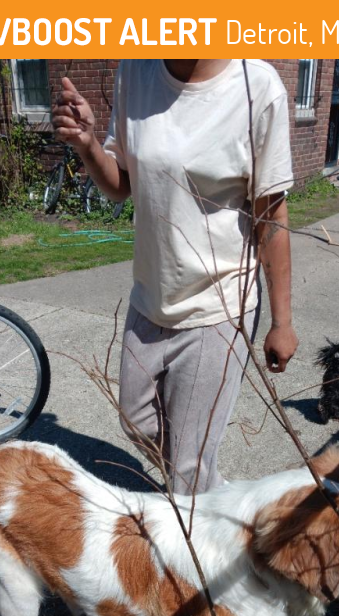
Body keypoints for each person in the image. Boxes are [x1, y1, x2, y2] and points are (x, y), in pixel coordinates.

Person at [53, 59, 297, 494]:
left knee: (186, 466)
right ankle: (207, 490)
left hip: (218, 303)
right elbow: (121, 183)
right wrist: (88, 143)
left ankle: (194, 543)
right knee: (135, 418)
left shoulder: (256, 87)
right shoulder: (136, 72)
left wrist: (281, 322)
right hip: (152, 294)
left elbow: (271, 217)